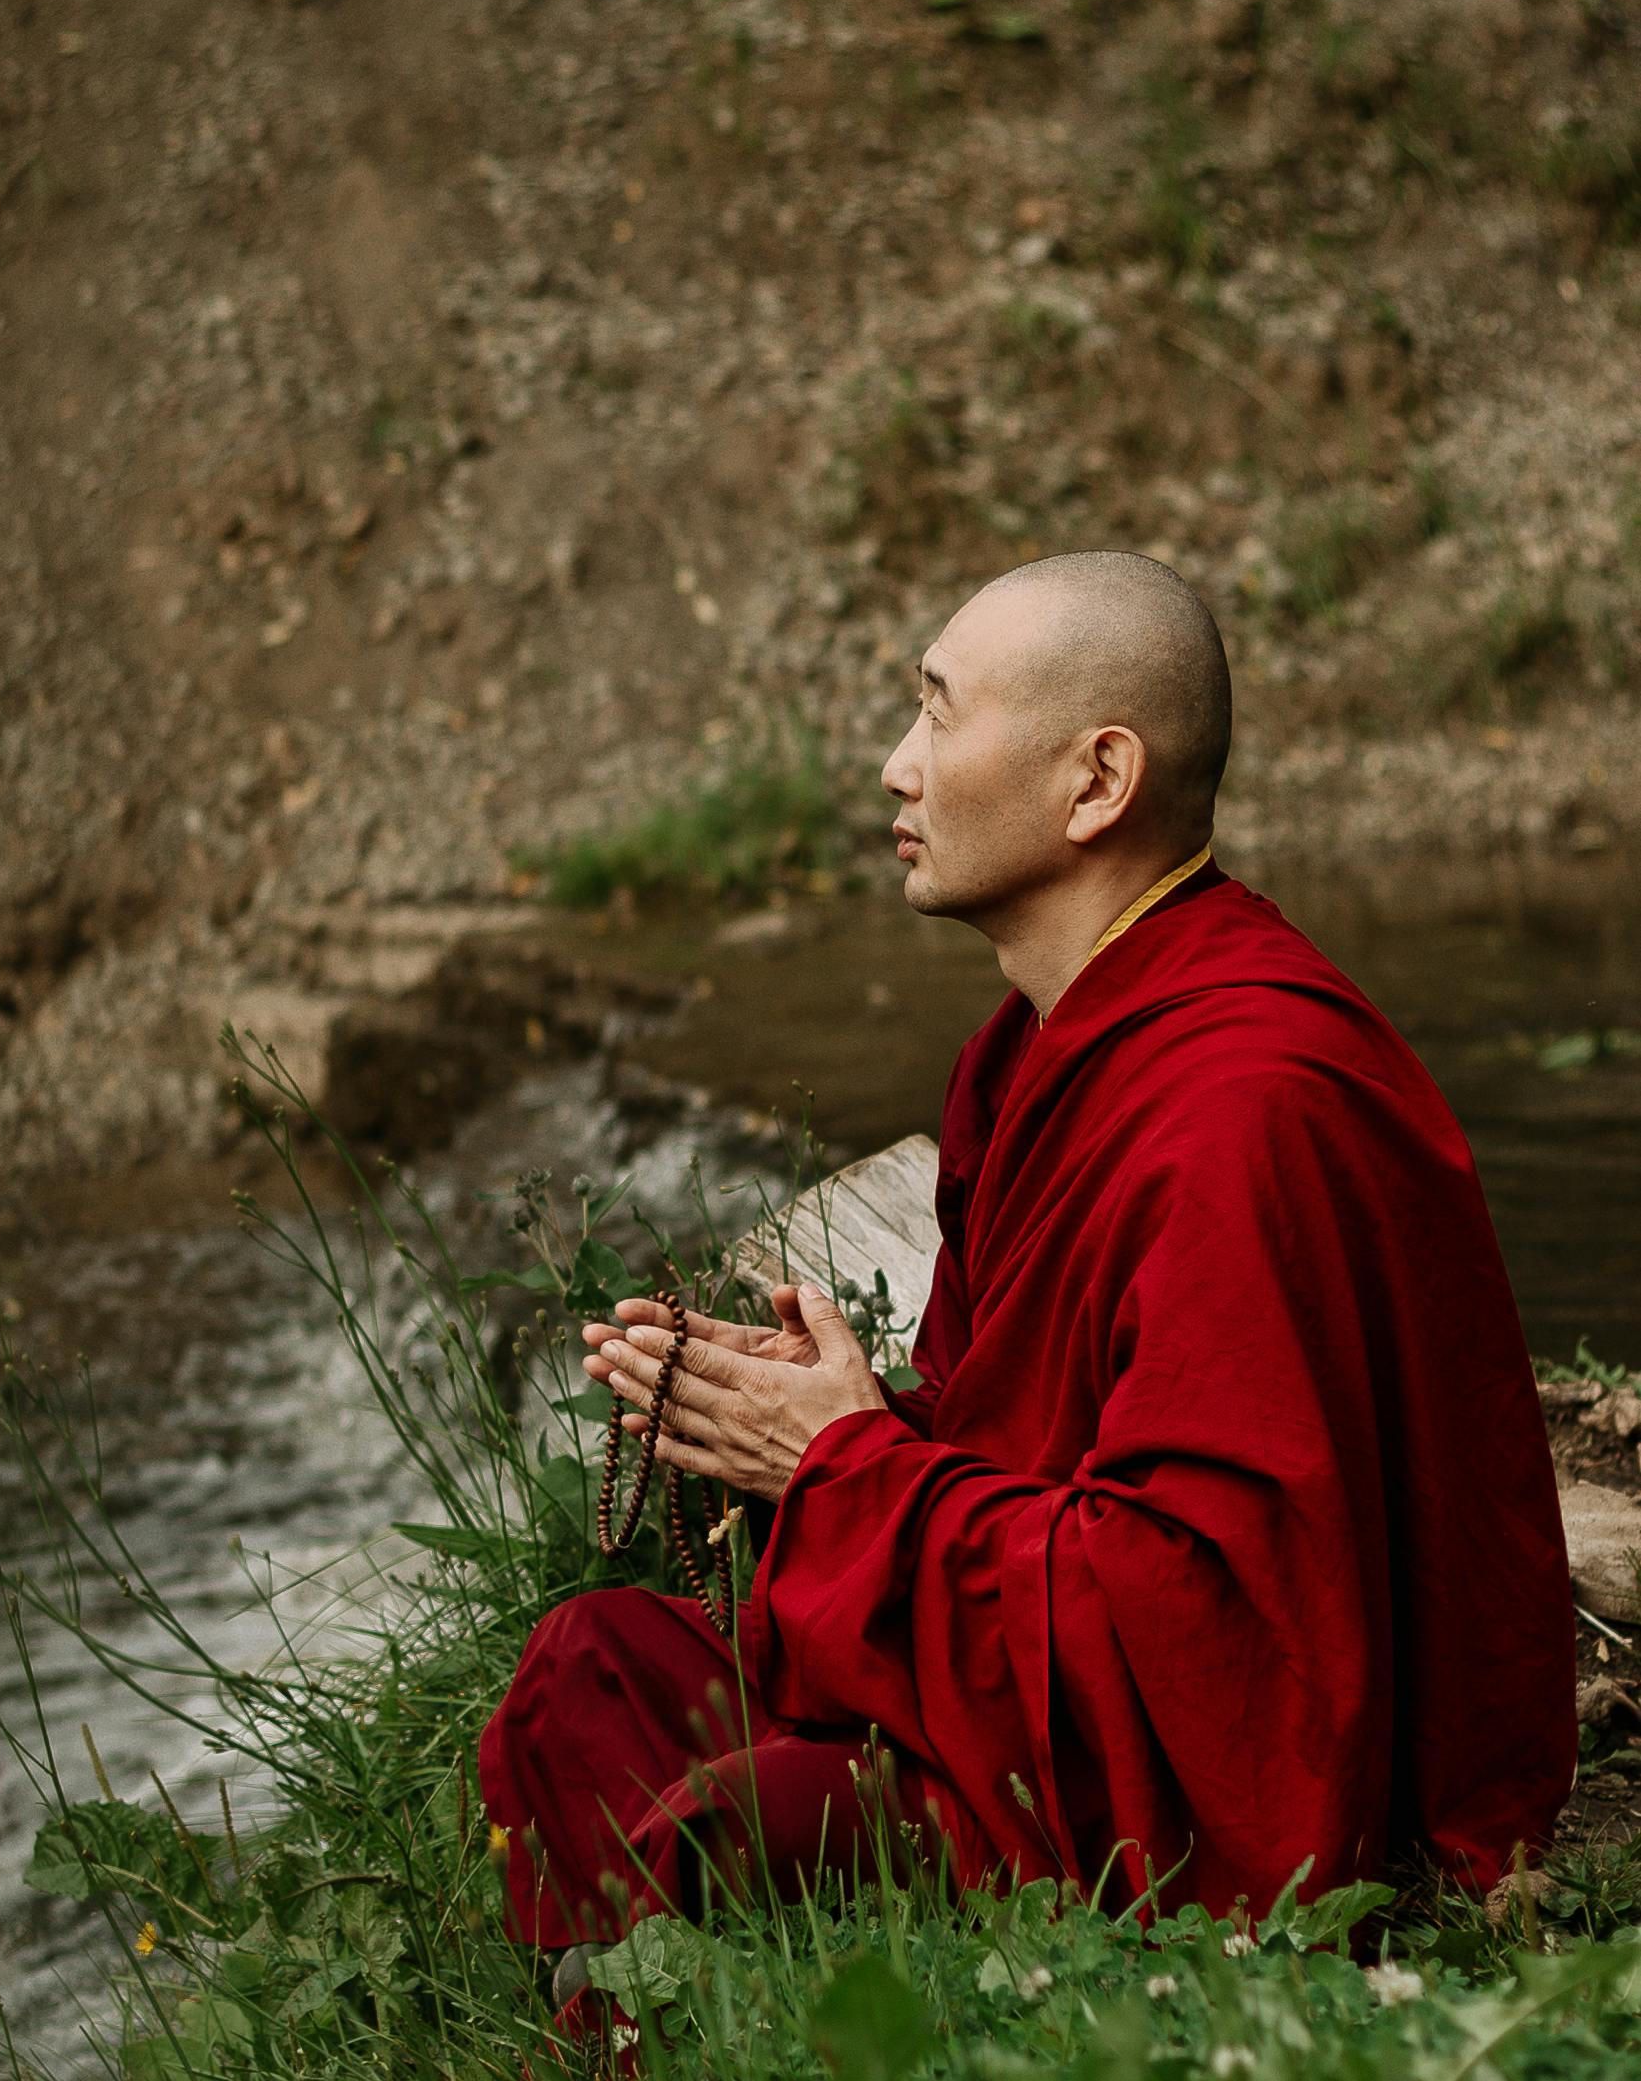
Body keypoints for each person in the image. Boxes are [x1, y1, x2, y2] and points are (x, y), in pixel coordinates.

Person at [482, 551, 1576, 1949]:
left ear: (1095, 781)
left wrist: (841, 1466)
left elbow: (1208, 1644)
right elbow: (1031, 1451)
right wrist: (832, 1415)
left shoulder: (1244, 1112)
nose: (893, 766)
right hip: (1042, 1677)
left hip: (1170, 1775)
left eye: (937, 714)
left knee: (711, 1824)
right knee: (587, 1668)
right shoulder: (1025, 1057)